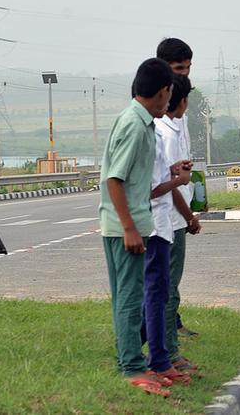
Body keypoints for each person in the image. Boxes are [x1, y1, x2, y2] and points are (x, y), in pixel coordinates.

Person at [98, 58, 174, 396]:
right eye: (170, 93)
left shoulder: (142, 123)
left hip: (129, 222)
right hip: (123, 228)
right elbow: (114, 179)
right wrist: (129, 228)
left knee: (126, 298)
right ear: (162, 92)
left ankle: (131, 361)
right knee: (130, 300)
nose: (170, 101)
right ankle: (131, 367)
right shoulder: (133, 124)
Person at [144, 73, 198, 387]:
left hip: (172, 219)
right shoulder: (162, 131)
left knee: (163, 291)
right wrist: (188, 215)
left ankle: (162, 352)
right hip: (167, 222)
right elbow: (158, 187)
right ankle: (165, 355)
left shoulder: (171, 127)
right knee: (163, 293)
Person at [155, 38, 199, 341]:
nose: (183, 74)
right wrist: (189, 215)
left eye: (187, 68)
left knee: (168, 280)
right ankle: (167, 344)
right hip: (169, 214)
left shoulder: (177, 118)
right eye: (178, 69)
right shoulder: (161, 126)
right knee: (166, 282)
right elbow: (166, 181)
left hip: (178, 209)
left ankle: (171, 327)